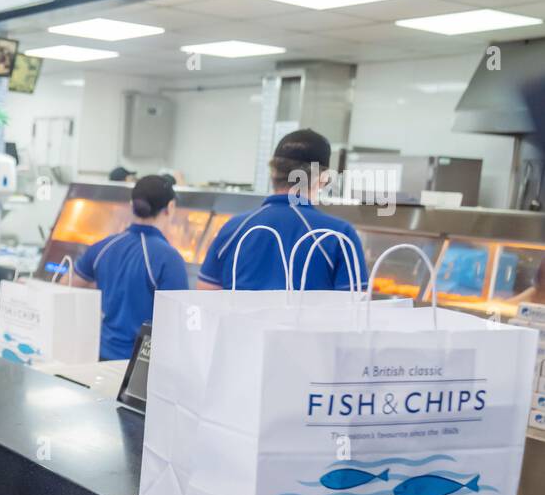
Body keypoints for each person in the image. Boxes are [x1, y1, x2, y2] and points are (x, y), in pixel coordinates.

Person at [198, 128, 363, 291]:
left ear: (273, 173)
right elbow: (356, 307)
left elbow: (205, 291)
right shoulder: (339, 235)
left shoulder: (233, 227)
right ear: (323, 179)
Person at [72, 174, 189, 360]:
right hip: (139, 366)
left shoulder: (104, 247)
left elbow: (67, 285)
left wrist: (105, 285)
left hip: (99, 356)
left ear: (132, 205)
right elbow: (179, 321)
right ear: (170, 207)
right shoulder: (169, 259)